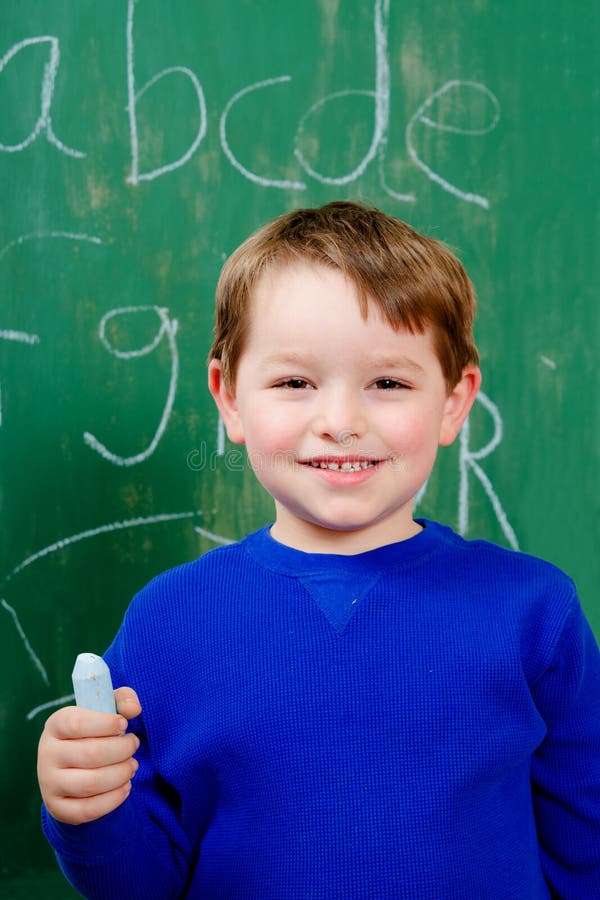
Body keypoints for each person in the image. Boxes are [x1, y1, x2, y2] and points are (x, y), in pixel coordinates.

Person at [37, 201, 600, 898]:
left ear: (455, 401)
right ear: (230, 397)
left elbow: (587, 845)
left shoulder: (534, 612)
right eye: (295, 382)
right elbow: (142, 883)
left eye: (388, 383)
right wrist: (85, 811)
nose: (340, 422)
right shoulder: (168, 621)